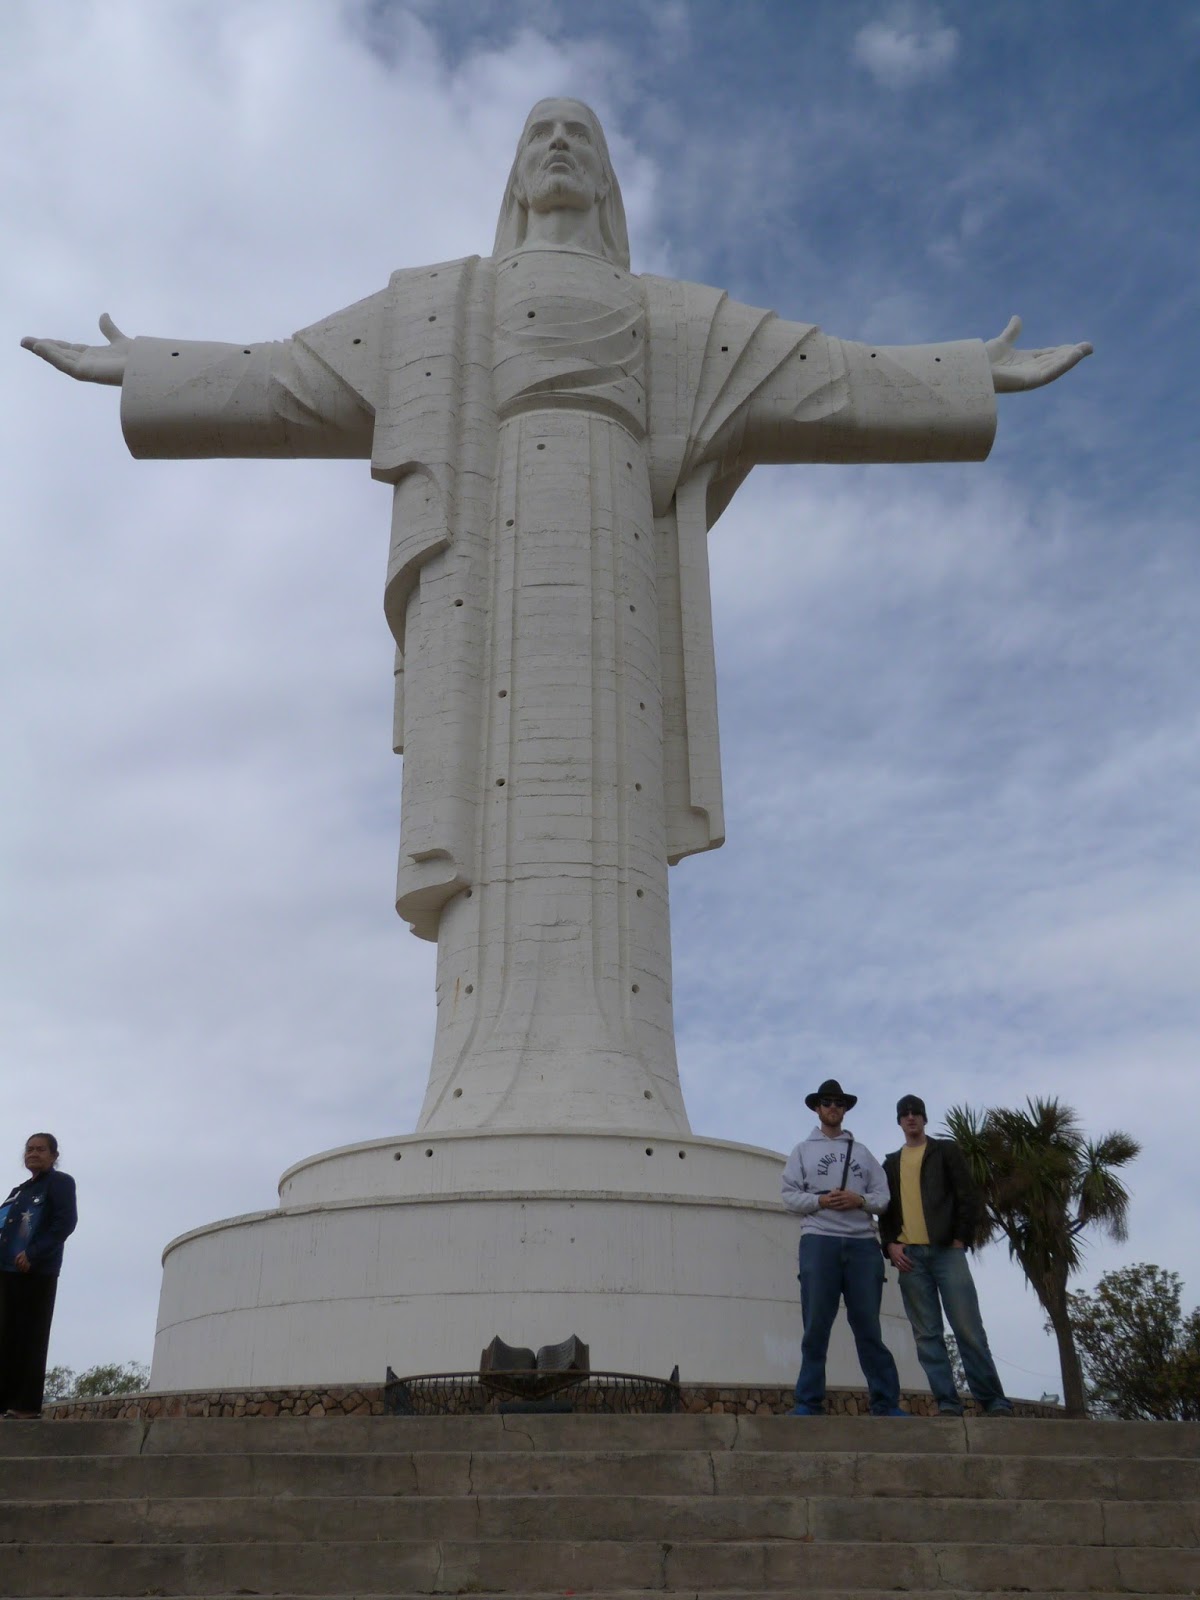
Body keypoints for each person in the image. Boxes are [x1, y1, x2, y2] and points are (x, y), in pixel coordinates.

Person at [21, 100, 1091, 1140]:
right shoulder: (440, 306)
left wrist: (964, 372)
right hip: (492, 566)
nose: (561, 146)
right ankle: (475, 1093)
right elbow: (288, 378)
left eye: (581, 134)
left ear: (609, 181)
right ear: (517, 174)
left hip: (615, 551)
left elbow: (831, 380)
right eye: (541, 134)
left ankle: (623, 1090)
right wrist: (149, 365)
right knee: (497, 844)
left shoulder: (673, 316)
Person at [881, 1094, 1012, 1416]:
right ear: (899, 1121)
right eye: (905, 1114)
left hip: (946, 1253)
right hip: (910, 1258)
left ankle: (993, 1401)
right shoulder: (890, 1164)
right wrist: (890, 1244)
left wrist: (960, 1239)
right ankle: (947, 1403)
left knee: (968, 1329)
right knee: (927, 1336)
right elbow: (884, 1211)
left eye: (916, 1113)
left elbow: (968, 1195)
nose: (911, 1118)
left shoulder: (946, 1152)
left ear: (924, 1118)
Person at [781, 1078, 906, 1416]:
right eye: (826, 1102)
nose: (832, 1107)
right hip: (818, 1241)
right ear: (817, 1108)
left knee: (868, 1328)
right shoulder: (802, 1151)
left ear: (845, 1109)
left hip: (862, 1246)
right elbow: (789, 1197)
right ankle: (808, 1402)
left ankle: (885, 1402)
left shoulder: (863, 1154)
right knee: (816, 1327)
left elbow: (883, 1199)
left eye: (838, 1102)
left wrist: (858, 1199)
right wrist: (821, 1199)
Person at [0, 1133, 77, 1419]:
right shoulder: (18, 1191)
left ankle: (26, 1405)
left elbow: (65, 1223)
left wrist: (34, 1253)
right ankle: (5, 1401)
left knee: (30, 1336)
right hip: (6, 1270)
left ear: (54, 1155)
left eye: (40, 1149)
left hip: (37, 1270)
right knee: (6, 1337)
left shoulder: (60, 1183)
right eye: (29, 1149)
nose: (33, 1153)